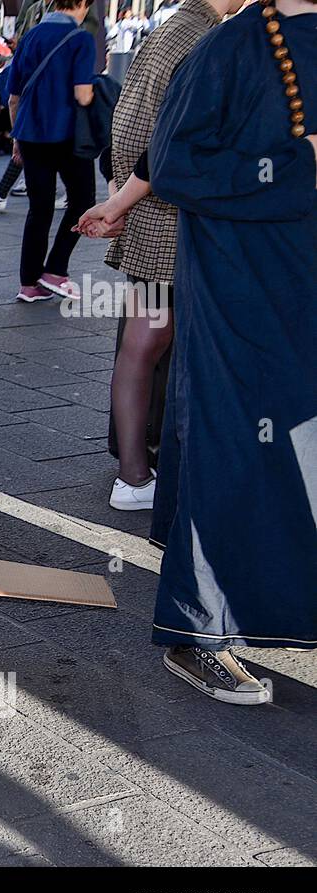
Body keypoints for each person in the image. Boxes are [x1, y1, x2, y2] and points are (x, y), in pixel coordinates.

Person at [144, 0, 317, 705]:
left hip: (302, 287)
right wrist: (295, 162)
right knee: (233, 442)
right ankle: (195, 631)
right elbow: (174, 164)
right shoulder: (231, 47)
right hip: (241, 291)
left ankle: (282, 607)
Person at [76, 0, 237, 512]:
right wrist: (120, 199)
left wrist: (118, 192)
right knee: (146, 345)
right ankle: (133, 474)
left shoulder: (177, 28)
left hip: (149, 209)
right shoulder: (201, 36)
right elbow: (165, 141)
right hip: (166, 216)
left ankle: (134, 469)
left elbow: (126, 126)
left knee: (143, 345)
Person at [5, 0, 95, 303]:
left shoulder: (30, 36)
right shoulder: (81, 39)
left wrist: (16, 135)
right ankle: (55, 270)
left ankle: (29, 284)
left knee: (39, 209)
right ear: (81, 3)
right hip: (67, 135)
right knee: (83, 201)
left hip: (30, 133)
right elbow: (83, 95)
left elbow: (13, 96)